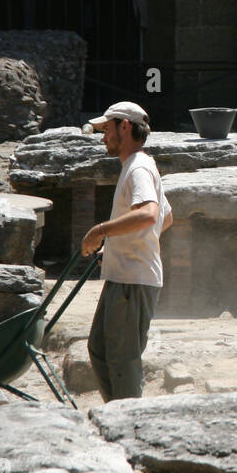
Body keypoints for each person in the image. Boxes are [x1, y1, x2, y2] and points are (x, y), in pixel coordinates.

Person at [80, 101, 172, 401]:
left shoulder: (138, 168)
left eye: (107, 129)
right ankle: (117, 412)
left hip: (133, 281)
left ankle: (128, 421)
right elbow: (165, 217)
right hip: (124, 277)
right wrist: (119, 243)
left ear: (125, 127)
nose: (103, 137)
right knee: (99, 349)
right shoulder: (137, 165)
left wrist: (101, 231)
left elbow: (148, 214)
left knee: (122, 360)